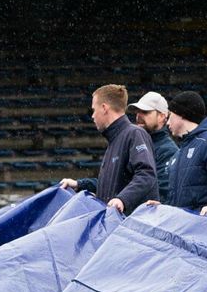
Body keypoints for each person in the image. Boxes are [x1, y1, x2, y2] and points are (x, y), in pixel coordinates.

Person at [59, 84, 158, 214]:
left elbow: (146, 175)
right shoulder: (116, 139)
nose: (93, 116)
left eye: (93, 110)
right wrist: (79, 184)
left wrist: (122, 199)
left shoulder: (134, 134)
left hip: (129, 226)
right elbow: (112, 185)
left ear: (104, 108)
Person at [129, 91, 178, 195]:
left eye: (145, 112)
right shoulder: (132, 143)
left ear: (162, 116)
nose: (139, 116)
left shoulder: (168, 151)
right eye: (138, 111)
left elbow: (163, 193)